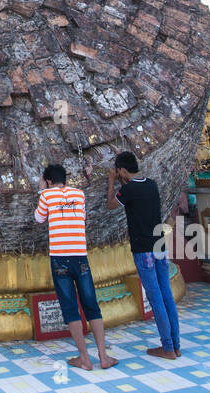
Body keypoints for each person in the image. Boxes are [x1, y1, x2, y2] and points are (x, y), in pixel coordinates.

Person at [34, 163, 117, 370]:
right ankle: (103, 356)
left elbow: (38, 218)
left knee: (71, 307)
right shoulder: (79, 194)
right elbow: (83, 217)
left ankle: (84, 358)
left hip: (60, 258)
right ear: (66, 179)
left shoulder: (46, 196)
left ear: (48, 181)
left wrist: (41, 189)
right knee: (91, 304)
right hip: (80, 255)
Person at [108, 150, 182, 360]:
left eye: (119, 172)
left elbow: (110, 204)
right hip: (159, 245)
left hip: (143, 249)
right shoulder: (151, 184)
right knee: (166, 293)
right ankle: (175, 345)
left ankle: (167, 346)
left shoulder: (128, 189)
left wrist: (112, 181)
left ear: (123, 170)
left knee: (155, 297)